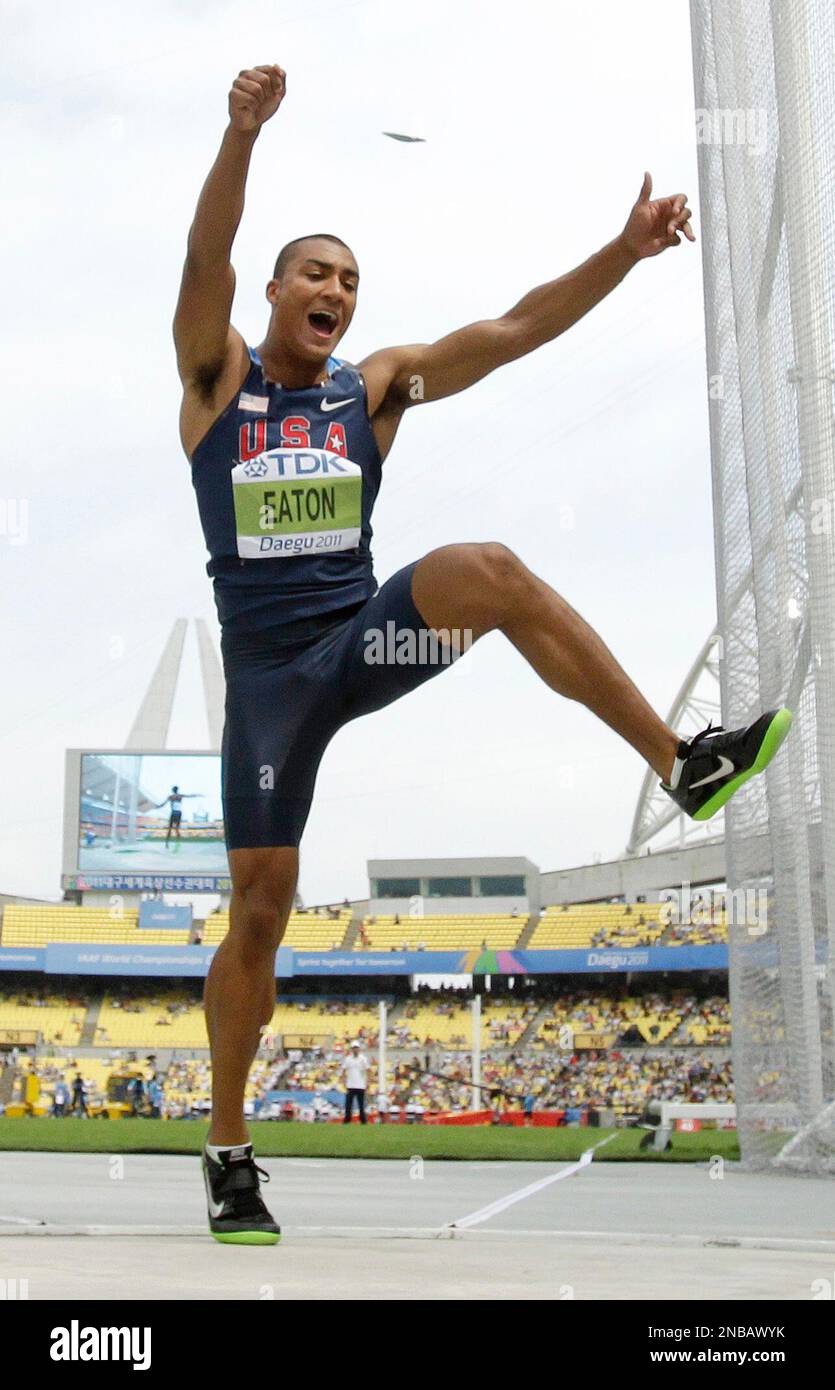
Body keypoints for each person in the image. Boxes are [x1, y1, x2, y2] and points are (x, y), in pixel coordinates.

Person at [176, 63, 794, 1246]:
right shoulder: (218, 379)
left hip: (364, 640)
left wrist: (621, 252)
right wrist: (239, 134)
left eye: (352, 281)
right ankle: (227, 1148)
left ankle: (683, 762)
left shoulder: (375, 390)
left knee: (493, 568)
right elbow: (202, 261)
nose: (339, 292)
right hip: (268, 686)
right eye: (318, 273)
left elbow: (511, 331)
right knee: (261, 907)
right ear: (275, 287)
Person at [342, 1040, 369, 1125]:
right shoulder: (348, 1059)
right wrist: (344, 1082)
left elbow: (368, 1070)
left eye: (356, 1048)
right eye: (354, 1048)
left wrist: (367, 1082)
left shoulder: (363, 1059)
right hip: (350, 1085)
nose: (355, 1050)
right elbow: (343, 1071)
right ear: (351, 1049)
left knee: (361, 1104)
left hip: (360, 1085)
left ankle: (363, 1119)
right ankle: (347, 1119)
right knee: (348, 1104)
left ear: (359, 1049)